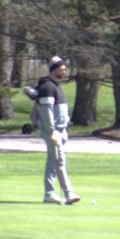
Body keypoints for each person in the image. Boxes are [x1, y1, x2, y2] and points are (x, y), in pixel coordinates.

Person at [35, 57, 79, 205]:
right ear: (54, 69)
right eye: (62, 68)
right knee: (59, 161)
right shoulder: (47, 87)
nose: (64, 70)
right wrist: (52, 131)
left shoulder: (54, 86)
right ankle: (68, 193)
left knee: (53, 162)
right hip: (53, 131)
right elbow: (46, 111)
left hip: (60, 130)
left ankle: (50, 193)